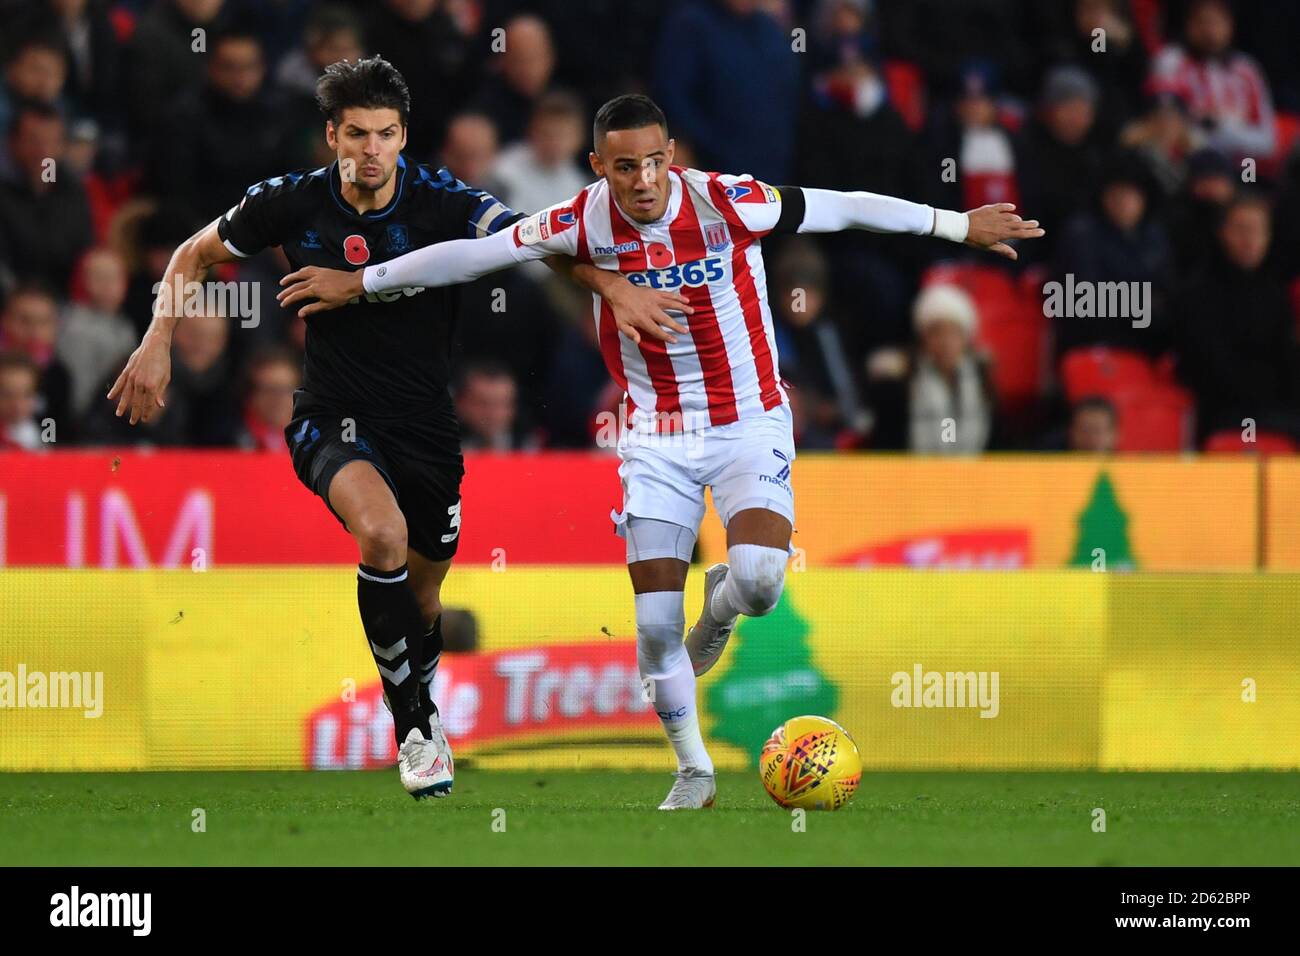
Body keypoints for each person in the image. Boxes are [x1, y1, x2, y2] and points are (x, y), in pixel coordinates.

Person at [278, 94, 1043, 809]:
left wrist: (954, 225)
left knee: (763, 582)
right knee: (650, 627)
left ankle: (722, 604)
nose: (643, 181)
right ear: (598, 167)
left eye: (654, 162)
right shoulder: (581, 221)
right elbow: (470, 257)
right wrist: (363, 282)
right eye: (624, 166)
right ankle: (692, 769)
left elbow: (839, 209)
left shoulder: (723, 199)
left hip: (750, 421)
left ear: (670, 156)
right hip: (657, 434)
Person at [106, 58, 664, 800]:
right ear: (331, 135)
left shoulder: (441, 200)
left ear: (404, 136)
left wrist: (614, 284)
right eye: (358, 134)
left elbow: (534, 244)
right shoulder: (289, 203)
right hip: (332, 417)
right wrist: (156, 340)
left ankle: (418, 706)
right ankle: (414, 729)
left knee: (424, 602)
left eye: (388, 134)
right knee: (382, 536)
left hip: (428, 427)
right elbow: (193, 254)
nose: (373, 150)